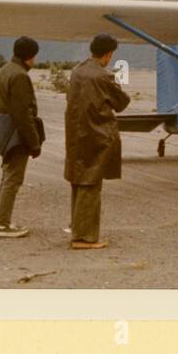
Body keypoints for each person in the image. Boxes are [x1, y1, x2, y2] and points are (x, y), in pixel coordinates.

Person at [63, 33, 131, 250]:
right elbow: (121, 103)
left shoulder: (76, 71)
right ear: (109, 53)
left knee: (78, 179)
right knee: (91, 184)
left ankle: (78, 228)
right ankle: (84, 237)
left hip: (76, 133)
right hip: (97, 133)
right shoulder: (103, 76)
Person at [0, 36, 44, 238]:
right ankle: (2, 225)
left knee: (7, 176)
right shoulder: (20, 76)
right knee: (13, 178)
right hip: (16, 131)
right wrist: (34, 142)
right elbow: (23, 114)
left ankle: (1, 221)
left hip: (5, 128)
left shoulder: (6, 69)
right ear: (30, 56)